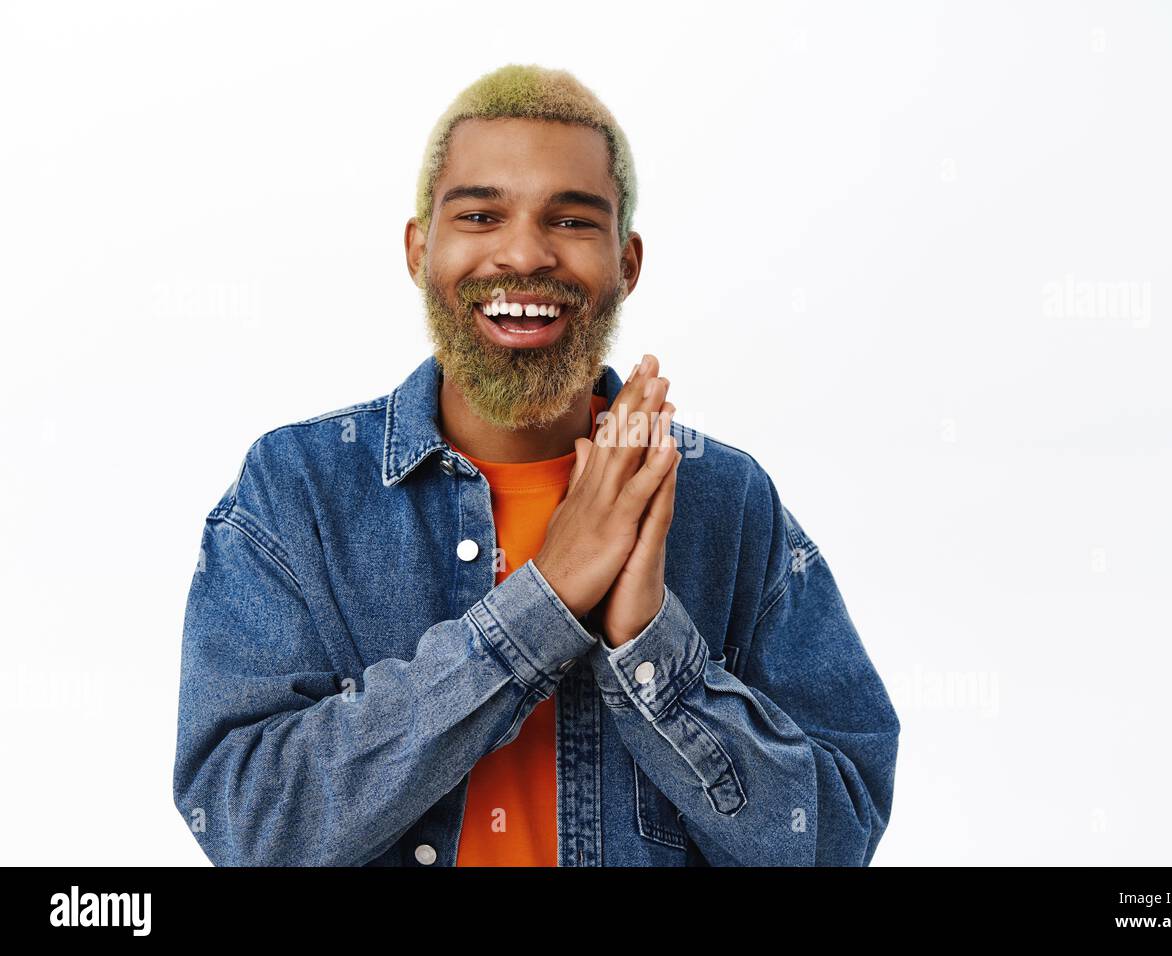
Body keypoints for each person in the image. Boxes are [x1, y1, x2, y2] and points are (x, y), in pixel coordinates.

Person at [172, 63, 900, 867]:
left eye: (573, 221)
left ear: (627, 263)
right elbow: (249, 823)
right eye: (481, 214)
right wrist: (544, 603)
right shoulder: (296, 489)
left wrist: (650, 645)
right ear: (420, 251)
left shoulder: (726, 502)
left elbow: (834, 835)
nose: (524, 253)